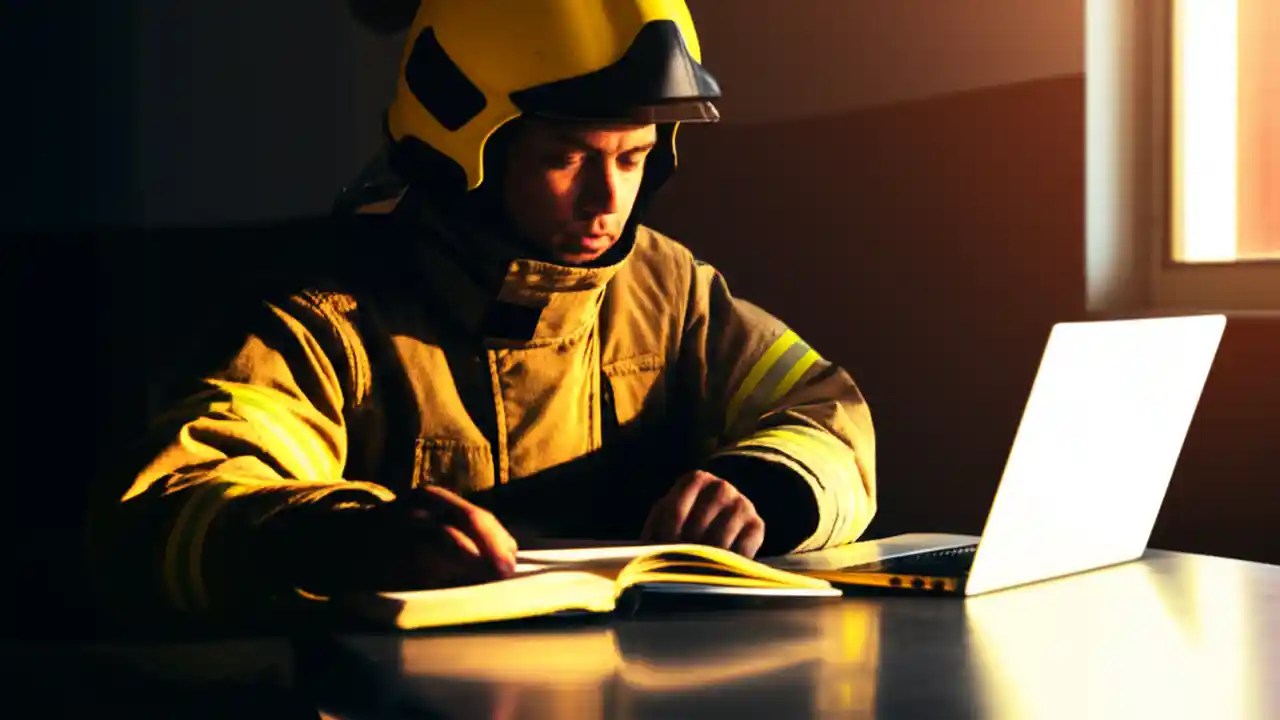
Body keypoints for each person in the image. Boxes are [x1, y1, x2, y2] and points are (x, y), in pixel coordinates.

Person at [90, 0, 876, 623]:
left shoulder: (667, 289)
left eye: (633, 157)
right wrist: (345, 539)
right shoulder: (327, 317)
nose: (609, 201)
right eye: (569, 157)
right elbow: (172, 509)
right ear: (464, 147)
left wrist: (767, 486)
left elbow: (825, 410)